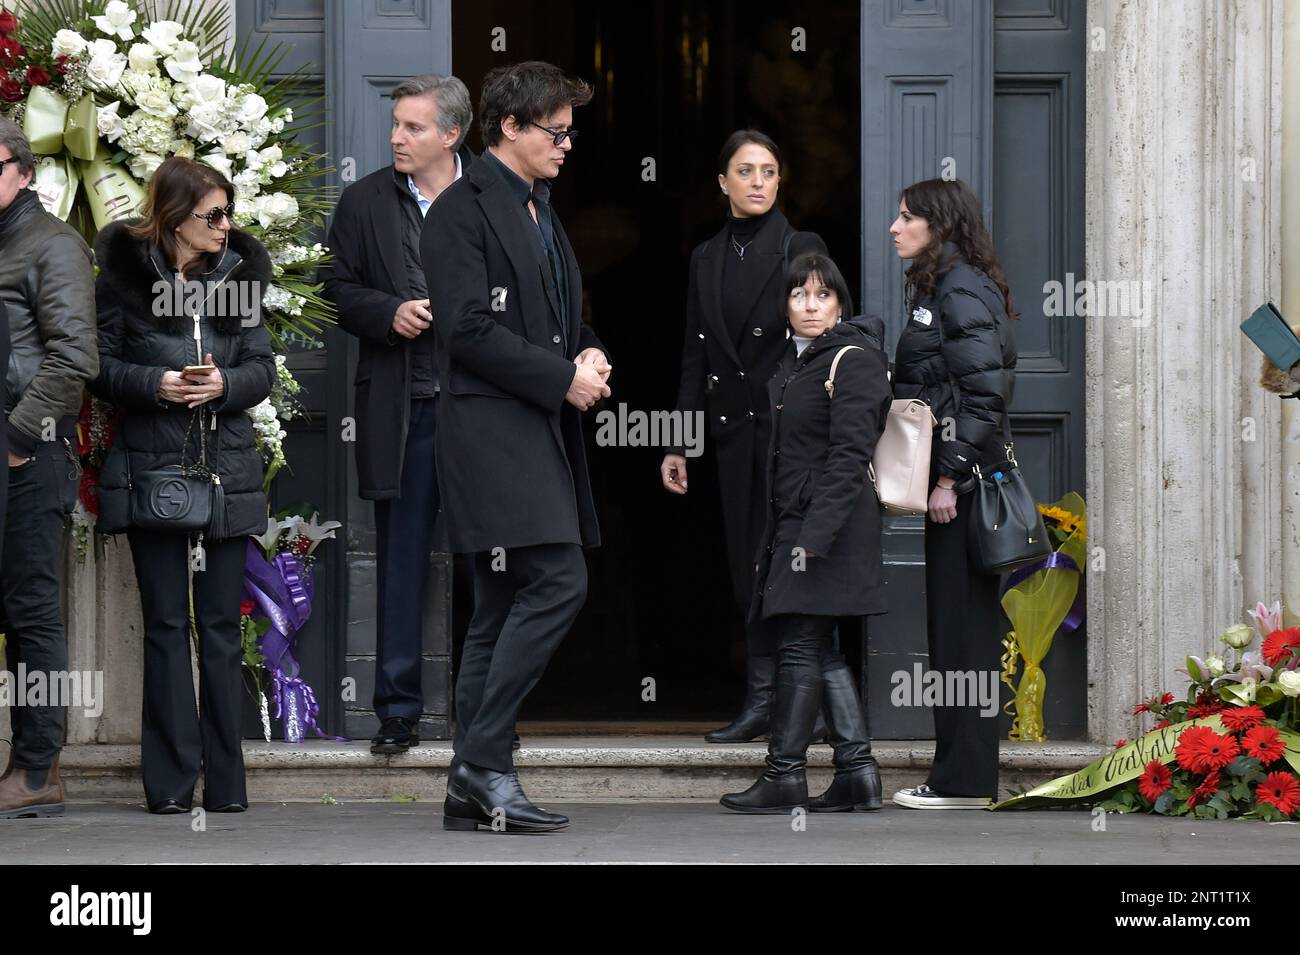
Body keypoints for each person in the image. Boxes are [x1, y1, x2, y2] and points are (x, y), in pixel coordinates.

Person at [422, 60, 609, 833]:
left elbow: (566, 312)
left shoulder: (541, 206)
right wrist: (559, 377)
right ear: (509, 127)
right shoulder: (457, 211)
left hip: (537, 424)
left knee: (498, 604)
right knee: (559, 579)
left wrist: (589, 351)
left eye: (570, 132)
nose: (567, 145)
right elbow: (464, 328)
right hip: (490, 430)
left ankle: (471, 784)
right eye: (556, 132)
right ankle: (485, 761)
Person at [91, 157, 275, 814]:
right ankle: (169, 787)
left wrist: (225, 385)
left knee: (222, 629)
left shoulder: (237, 276)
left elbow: (262, 369)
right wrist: (156, 385)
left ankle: (226, 786)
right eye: (212, 216)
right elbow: (98, 366)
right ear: (174, 219)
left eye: (228, 212)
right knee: (167, 626)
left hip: (227, 473)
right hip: (155, 473)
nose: (226, 226)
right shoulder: (122, 280)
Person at [322, 73, 476, 755]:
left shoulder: (494, 197)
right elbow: (334, 290)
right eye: (396, 125)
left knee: (488, 564)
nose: (396, 137)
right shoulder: (363, 201)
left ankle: (485, 710)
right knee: (402, 560)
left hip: (482, 412)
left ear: (452, 133)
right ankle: (397, 710)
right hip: (402, 407)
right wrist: (389, 313)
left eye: (413, 126)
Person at [660, 129, 831, 744]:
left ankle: (797, 711)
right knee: (746, 569)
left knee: (787, 567)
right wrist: (680, 438)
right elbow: (692, 355)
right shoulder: (704, 256)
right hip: (732, 439)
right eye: (746, 170)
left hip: (788, 437)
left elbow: (824, 339)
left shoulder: (799, 246)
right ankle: (763, 703)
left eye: (768, 170)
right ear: (722, 183)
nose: (759, 181)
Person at [720, 253, 891, 813]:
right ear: (785, 306)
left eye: (822, 295)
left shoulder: (854, 359)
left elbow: (848, 457)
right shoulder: (796, 364)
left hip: (829, 528)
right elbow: (784, 463)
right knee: (820, 648)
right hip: (797, 523)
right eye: (799, 295)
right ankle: (857, 773)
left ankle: (785, 774)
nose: (810, 305)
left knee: (799, 645)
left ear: (840, 303)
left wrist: (812, 536)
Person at [888, 177, 1018, 809]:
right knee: (955, 627)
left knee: (963, 631)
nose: (895, 227)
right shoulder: (947, 284)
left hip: (962, 487)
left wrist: (949, 475)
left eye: (907, 217)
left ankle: (964, 781)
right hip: (956, 478)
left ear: (936, 226)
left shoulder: (959, 286)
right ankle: (959, 775)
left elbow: (986, 390)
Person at [0, 119, 96, 819]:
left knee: (32, 608)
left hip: (27, 453)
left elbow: (74, 359)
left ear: (22, 172)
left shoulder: (53, 245)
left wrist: (17, 436)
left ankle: (39, 767)